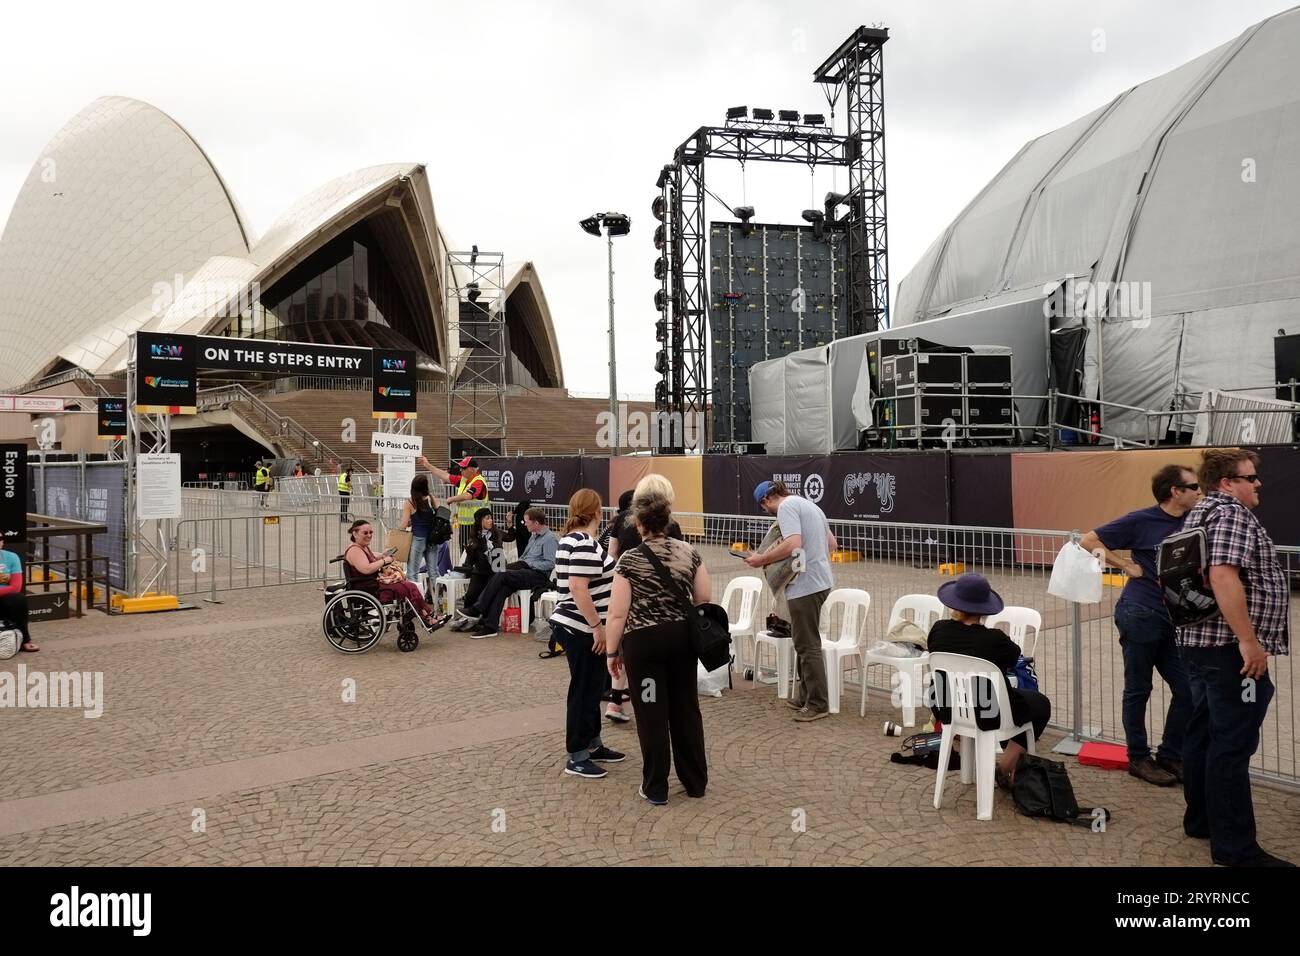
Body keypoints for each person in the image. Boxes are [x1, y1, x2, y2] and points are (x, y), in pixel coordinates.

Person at [1175, 448, 1292, 867]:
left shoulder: (1200, 513)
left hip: (1201, 646)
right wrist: (1248, 641)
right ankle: (1235, 849)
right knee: (1231, 745)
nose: (1258, 483)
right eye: (1251, 477)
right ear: (1228, 483)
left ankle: (1202, 820)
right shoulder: (1231, 514)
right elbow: (1223, 574)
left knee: (1204, 733)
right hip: (1228, 651)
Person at [1081, 464, 1200, 787]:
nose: (1199, 491)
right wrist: (1124, 566)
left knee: (1188, 689)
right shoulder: (1141, 519)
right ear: (1175, 491)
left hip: (1175, 616)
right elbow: (1088, 540)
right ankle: (1138, 757)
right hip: (1140, 612)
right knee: (1139, 687)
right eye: (1194, 486)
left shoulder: (1196, 519)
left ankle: (1171, 755)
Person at [606, 476, 711, 805]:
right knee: (685, 710)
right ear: (668, 520)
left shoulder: (630, 560)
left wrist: (612, 651)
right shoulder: (690, 553)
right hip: (681, 643)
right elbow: (705, 601)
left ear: (638, 524)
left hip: (645, 646)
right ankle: (695, 782)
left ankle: (655, 786)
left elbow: (617, 614)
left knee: (651, 713)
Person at [927, 573, 1052, 788]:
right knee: (1040, 704)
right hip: (988, 711)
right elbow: (1014, 657)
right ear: (984, 608)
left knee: (1019, 705)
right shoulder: (995, 639)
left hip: (947, 707)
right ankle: (1003, 768)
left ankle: (1000, 765)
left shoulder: (939, 629)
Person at [746, 479, 836, 722]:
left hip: (805, 585)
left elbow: (793, 544)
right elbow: (832, 543)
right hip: (820, 581)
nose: (766, 511)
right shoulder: (811, 506)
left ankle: (818, 703)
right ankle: (805, 697)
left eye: (763, 507)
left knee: (808, 645)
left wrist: (763, 558)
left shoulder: (786, 508)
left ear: (766, 500)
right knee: (803, 642)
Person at [552, 489, 625, 779]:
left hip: (579, 625)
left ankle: (593, 744)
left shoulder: (574, 540)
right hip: (582, 627)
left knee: (592, 687)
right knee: (584, 690)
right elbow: (578, 588)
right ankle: (577, 755)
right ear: (597, 512)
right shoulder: (582, 542)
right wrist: (598, 627)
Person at [458, 507, 556, 639]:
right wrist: (522, 563)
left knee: (501, 574)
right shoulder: (533, 537)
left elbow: (550, 563)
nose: (524, 524)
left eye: (526, 521)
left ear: (536, 523)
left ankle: (477, 609)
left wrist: (527, 564)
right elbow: (524, 557)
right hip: (524, 571)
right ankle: (490, 626)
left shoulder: (549, 538)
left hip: (537, 575)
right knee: (503, 586)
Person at [343, 519, 439, 629]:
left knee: (409, 586)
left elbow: (370, 559)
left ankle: (426, 615)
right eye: (365, 533)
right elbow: (367, 569)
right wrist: (384, 561)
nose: (369, 535)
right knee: (410, 587)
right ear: (355, 534)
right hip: (369, 587)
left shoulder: (361, 547)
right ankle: (427, 617)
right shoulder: (355, 550)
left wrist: (382, 556)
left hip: (372, 584)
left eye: (371, 532)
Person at [417, 455, 489, 554]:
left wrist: (452, 499)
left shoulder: (478, 481)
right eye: (460, 467)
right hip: (465, 525)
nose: (460, 470)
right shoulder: (464, 480)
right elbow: (445, 476)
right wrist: (427, 465)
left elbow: (468, 495)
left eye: (463, 468)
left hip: (476, 525)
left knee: (475, 554)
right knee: (464, 553)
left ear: (472, 469)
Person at [447, 508, 504, 631]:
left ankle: (485, 619)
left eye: (491, 518)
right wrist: (470, 551)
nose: (491, 520)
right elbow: (471, 561)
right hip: (479, 571)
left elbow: (509, 538)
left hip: (494, 571)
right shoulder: (474, 537)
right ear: (480, 520)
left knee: (488, 592)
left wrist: (509, 524)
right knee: (471, 594)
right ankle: (468, 618)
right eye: (487, 518)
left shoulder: (496, 533)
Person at [400, 475, 441, 596]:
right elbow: (438, 511)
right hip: (432, 539)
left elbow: (403, 524)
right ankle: (439, 602)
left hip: (418, 538)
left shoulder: (410, 502)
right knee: (433, 571)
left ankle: (415, 601)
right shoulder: (430, 498)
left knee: (413, 572)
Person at [0, 535, 37, 652]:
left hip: (4, 596)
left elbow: (16, 586)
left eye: (0, 539)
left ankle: (25, 640)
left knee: (19, 599)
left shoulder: (11, 557)